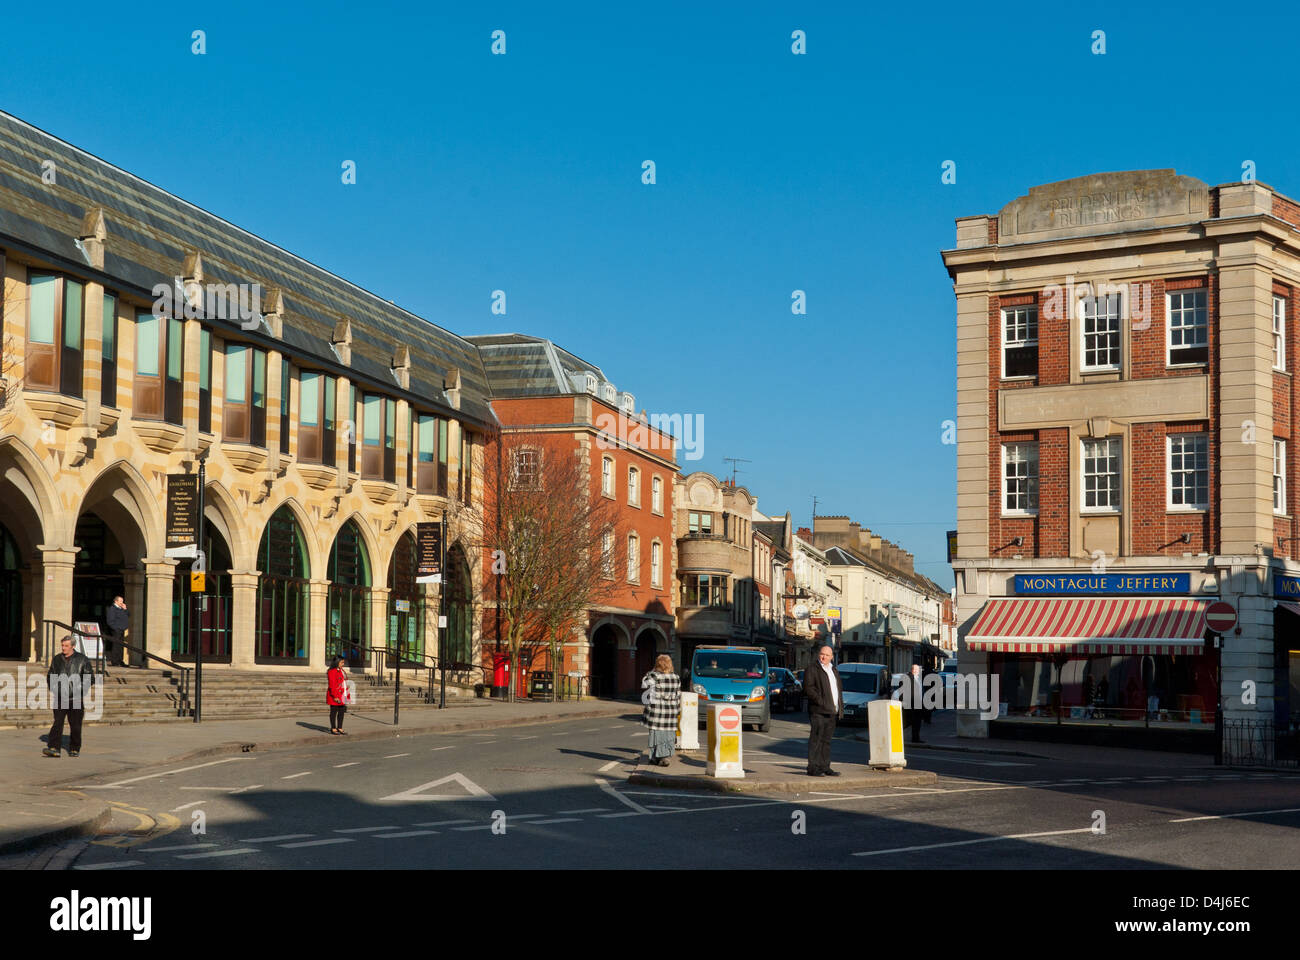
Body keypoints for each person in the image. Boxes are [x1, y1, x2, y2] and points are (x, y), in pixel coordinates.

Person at [44, 636, 95, 757]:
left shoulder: (82, 659)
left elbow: (89, 678)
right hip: (60, 697)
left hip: (75, 698)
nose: (63, 648)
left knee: (76, 725)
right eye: (62, 645)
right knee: (58, 722)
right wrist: (55, 688)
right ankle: (54, 747)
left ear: (73, 646)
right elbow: (51, 675)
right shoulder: (57, 659)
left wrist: (79, 691)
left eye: (66, 646)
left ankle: (74, 748)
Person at [803, 644, 843, 776]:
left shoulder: (834, 670)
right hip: (818, 711)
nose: (823, 657)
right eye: (822, 654)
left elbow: (837, 690)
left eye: (827, 655)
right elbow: (809, 689)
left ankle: (825, 766)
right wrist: (821, 702)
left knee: (826, 741)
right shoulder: (812, 669)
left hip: (832, 711)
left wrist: (839, 707)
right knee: (816, 739)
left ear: (832, 657)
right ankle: (813, 768)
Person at [641, 654, 681, 766]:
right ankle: (665, 757)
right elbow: (678, 695)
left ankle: (654, 757)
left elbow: (644, 683)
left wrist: (653, 670)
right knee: (668, 734)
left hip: (656, 712)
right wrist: (677, 709)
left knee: (655, 733)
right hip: (670, 711)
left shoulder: (653, 676)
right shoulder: (676, 677)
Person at [896, 662, 925, 744]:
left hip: (918, 704)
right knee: (906, 722)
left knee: (917, 722)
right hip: (910, 704)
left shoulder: (918, 678)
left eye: (918, 669)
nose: (918, 671)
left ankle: (916, 738)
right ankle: (895, 736)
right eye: (916, 669)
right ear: (913, 670)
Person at [327, 655, 349, 735]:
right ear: (337, 662)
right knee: (333, 712)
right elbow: (332, 685)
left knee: (341, 712)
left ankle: (340, 727)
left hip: (342, 694)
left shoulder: (341, 670)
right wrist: (335, 696)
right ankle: (333, 728)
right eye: (341, 662)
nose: (343, 664)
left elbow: (344, 680)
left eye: (343, 662)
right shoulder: (332, 671)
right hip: (335, 695)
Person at [105, 596, 129, 667]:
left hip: (122, 629)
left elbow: (128, 614)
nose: (122, 603)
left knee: (121, 645)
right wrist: (116, 628)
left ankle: (120, 660)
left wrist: (125, 609)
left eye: (122, 601)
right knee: (116, 645)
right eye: (120, 601)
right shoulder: (112, 609)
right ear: (116, 601)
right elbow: (110, 621)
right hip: (117, 630)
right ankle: (115, 661)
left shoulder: (121, 609)